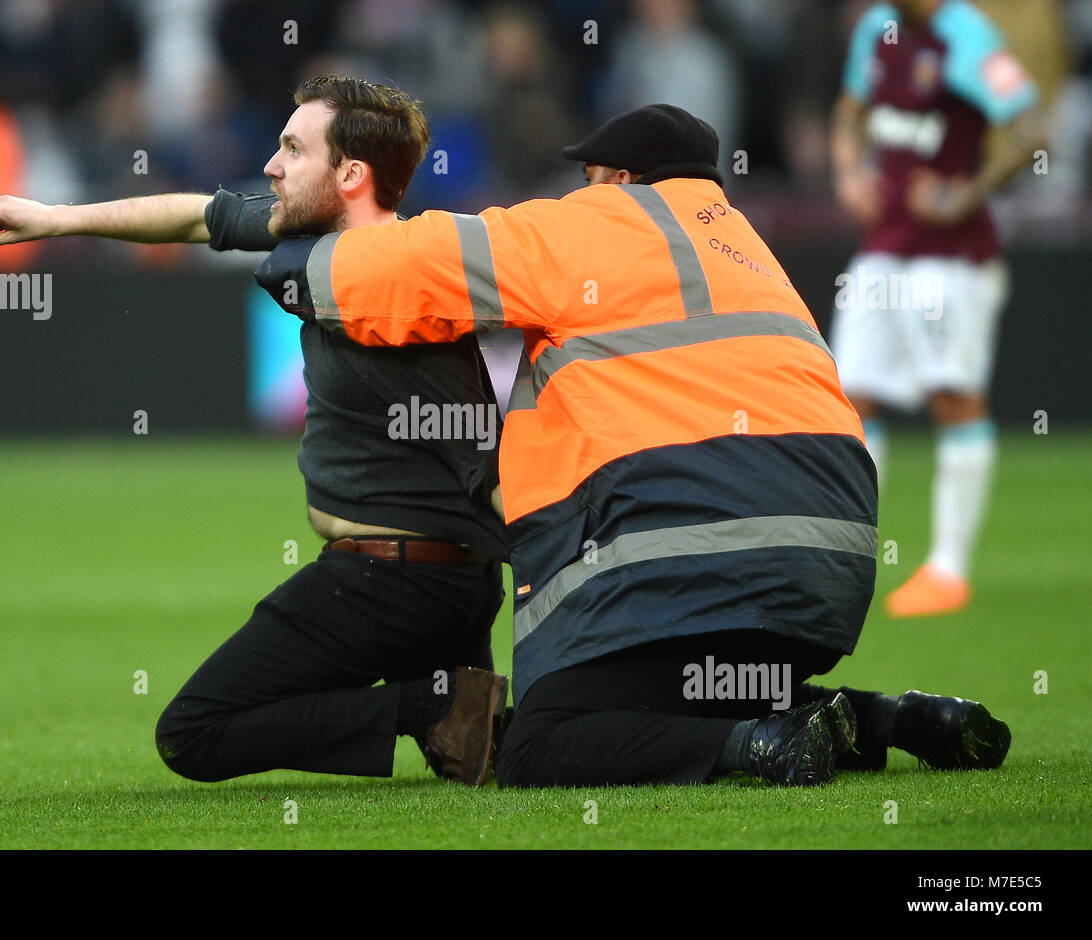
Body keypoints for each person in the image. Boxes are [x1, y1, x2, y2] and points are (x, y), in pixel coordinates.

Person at [255, 102, 1012, 787]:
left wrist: (269, 240)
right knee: (665, 690)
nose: (581, 190)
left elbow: (383, 272)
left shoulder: (585, 225)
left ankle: (758, 746)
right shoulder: (751, 252)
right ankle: (893, 717)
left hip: (688, 554)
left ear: (618, 178)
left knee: (543, 742)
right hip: (830, 567)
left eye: (589, 177)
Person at [0, 76, 510, 787]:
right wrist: (55, 220)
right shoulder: (319, 242)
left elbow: (479, 450)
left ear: (350, 174)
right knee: (482, 760)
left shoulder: (399, 285)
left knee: (193, 733)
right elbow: (198, 220)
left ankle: (434, 701)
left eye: (291, 149)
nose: (272, 166)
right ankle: (477, 710)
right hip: (437, 580)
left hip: (395, 583)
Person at [830, 0, 1046, 617]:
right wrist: (848, 169)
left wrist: (966, 195)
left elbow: (1033, 128)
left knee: (953, 397)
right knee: (848, 400)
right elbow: (849, 109)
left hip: (951, 260)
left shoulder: (967, 36)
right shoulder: (875, 28)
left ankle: (949, 569)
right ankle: (850, 557)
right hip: (883, 249)